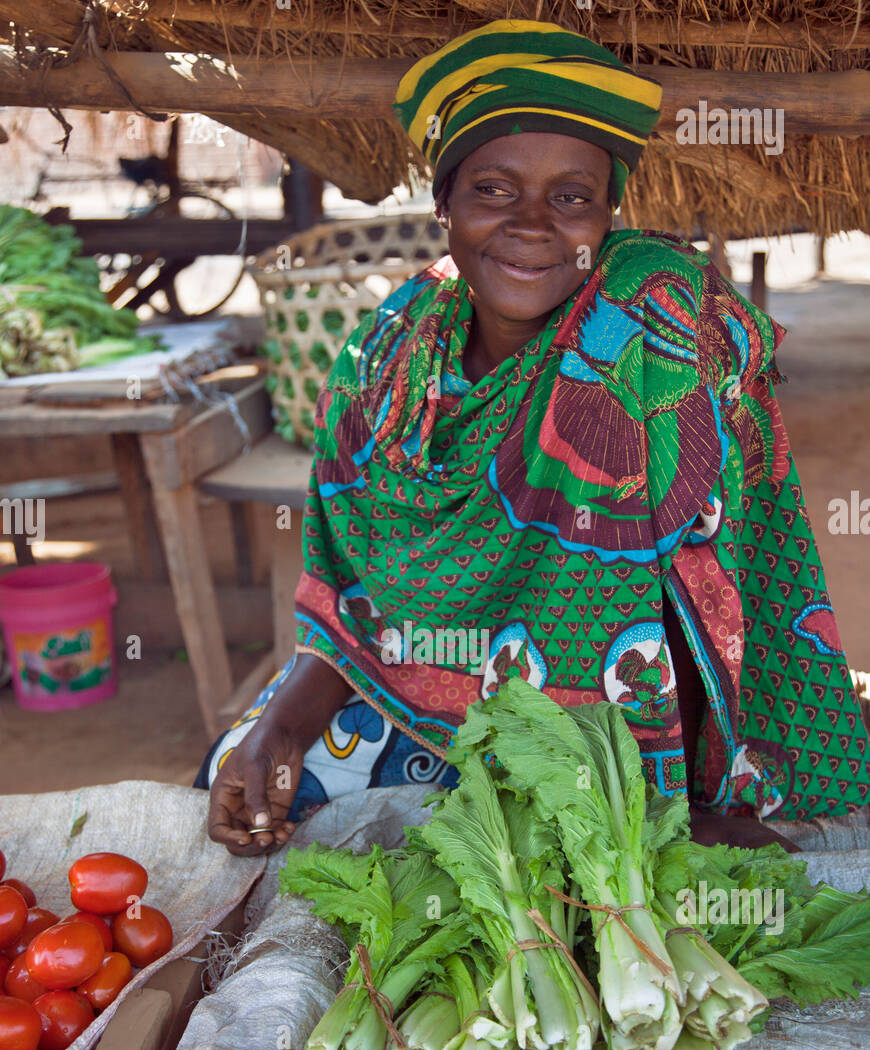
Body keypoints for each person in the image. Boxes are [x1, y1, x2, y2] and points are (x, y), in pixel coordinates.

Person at [199, 19, 870, 858]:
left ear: (609, 217)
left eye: (572, 197)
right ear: (442, 202)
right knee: (234, 773)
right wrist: (281, 729)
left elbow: (694, 573)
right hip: (430, 697)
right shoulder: (387, 358)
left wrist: (663, 809)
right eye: (493, 190)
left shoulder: (648, 313)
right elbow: (352, 596)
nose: (532, 224)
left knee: (561, 842)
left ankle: (661, 793)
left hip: (625, 738)